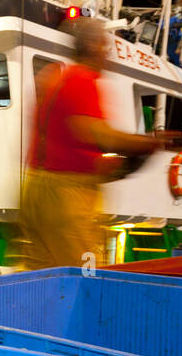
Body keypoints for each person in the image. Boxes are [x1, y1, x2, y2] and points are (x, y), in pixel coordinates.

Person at [19, 18, 173, 270]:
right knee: (85, 275)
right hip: (66, 203)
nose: (108, 57)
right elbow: (101, 137)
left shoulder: (53, 78)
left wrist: (117, 167)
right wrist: (148, 143)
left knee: (36, 277)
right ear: (91, 46)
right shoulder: (81, 80)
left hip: (36, 191)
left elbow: (68, 149)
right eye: (105, 48)